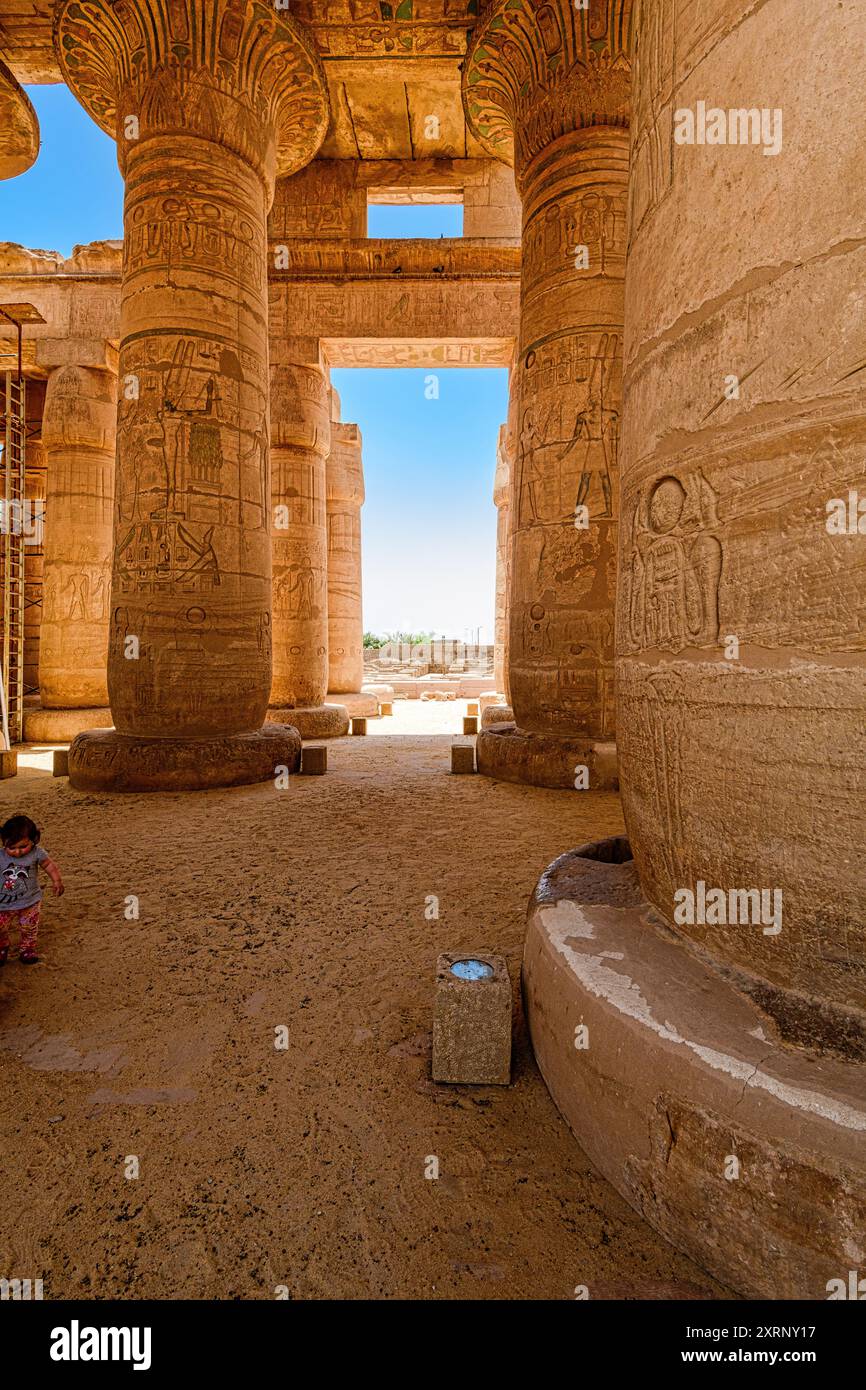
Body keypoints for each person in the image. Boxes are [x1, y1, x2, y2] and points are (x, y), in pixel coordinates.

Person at [0, 814, 64, 965]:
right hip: (3, 904)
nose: (18, 852)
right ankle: (2, 947)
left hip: (30, 901)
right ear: (4, 843)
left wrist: (57, 881)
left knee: (29, 927)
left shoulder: (36, 853)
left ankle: (27, 949)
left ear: (34, 840)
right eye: (12, 848)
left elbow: (49, 865)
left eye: (23, 846)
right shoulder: (1, 856)